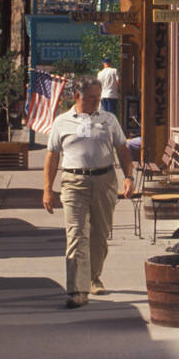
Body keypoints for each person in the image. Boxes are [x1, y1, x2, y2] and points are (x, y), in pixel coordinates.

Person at [43, 76, 134, 308]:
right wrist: (47, 190)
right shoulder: (62, 122)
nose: (95, 102)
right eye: (91, 98)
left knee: (99, 235)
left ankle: (93, 277)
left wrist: (129, 177)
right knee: (75, 235)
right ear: (77, 97)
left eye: (98, 97)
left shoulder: (109, 119)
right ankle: (76, 290)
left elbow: (122, 149)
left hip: (105, 180)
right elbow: (52, 157)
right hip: (74, 182)